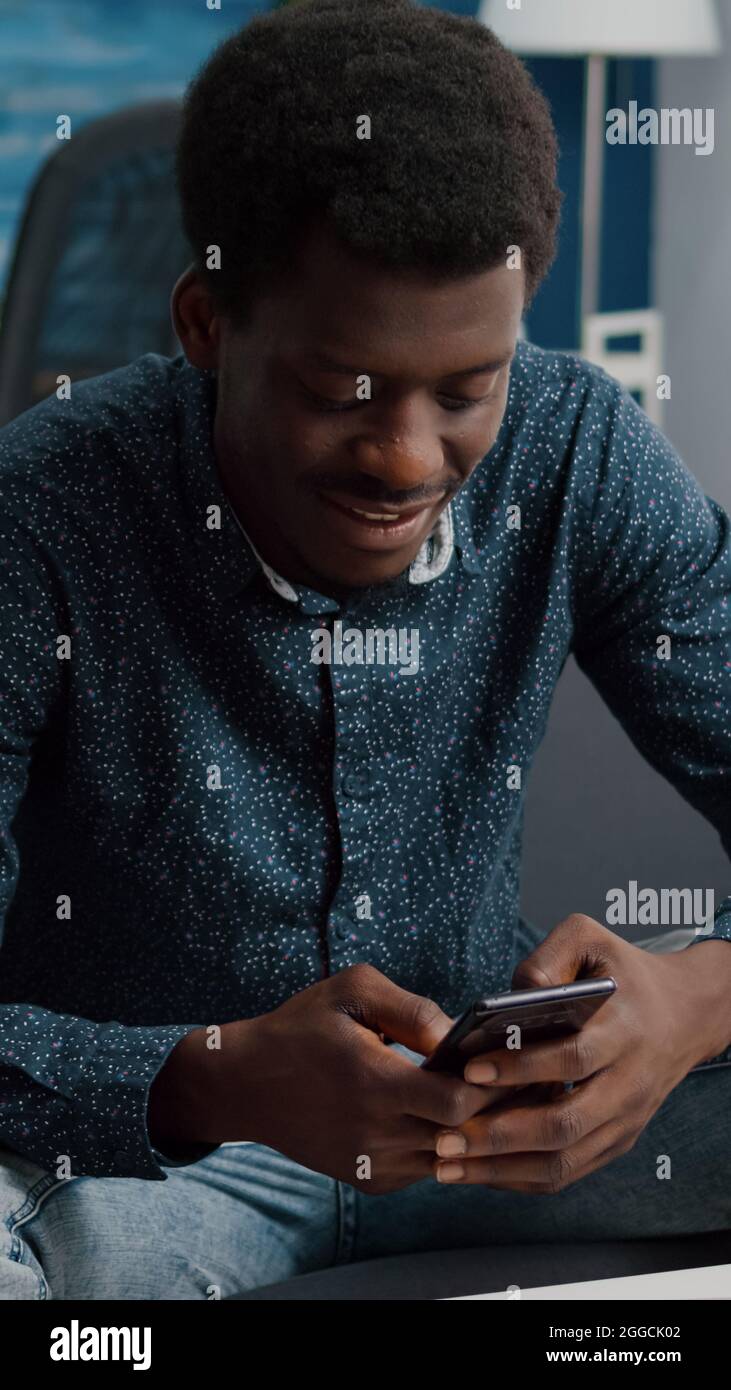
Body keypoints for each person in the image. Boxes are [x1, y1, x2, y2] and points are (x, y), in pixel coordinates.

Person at [0, 0, 729, 1301]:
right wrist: (209, 1071)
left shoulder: (579, 447)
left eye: (466, 390)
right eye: (343, 391)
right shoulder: (38, 517)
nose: (405, 460)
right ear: (207, 325)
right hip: (151, 1172)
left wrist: (696, 1001)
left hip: (495, 1133)